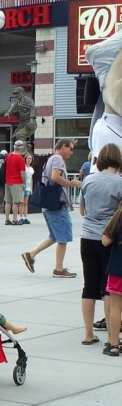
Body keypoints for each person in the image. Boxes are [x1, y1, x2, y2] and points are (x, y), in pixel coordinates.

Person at [79, 144, 122, 344]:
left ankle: (88, 334)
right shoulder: (119, 183)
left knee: (89, 286)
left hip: (87, 237)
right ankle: (111, 338)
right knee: (108, 289)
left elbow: (82, 210)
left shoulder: (88, 180)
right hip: (108, 239)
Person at [21, 138, 79, 278]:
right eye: (70, 149)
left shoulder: (51, 158)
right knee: (63, 238)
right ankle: (59, 269)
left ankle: (31, 255)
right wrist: (72, 183)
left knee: (54, 236)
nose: (72, 152)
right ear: (63, 146)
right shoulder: (58, 159)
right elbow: (55, 177)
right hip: (57, 205)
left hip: (49, 205)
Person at [101, 200, 122, 356]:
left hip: (118, 268)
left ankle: (114, 344)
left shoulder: (118, 216)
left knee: (115, 306)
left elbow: (105, 241)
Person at [3, 139, 27, 225]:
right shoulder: (20, 158)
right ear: (21, 148)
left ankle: (7, 219)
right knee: (16, 202)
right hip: (16, 182)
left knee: (8, 201)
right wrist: (24, 182)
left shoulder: (8, 156)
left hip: (7, 181)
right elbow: (22, 172)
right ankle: (15, 220)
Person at [21, 152, 34, 223]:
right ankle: (21, 217)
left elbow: (31, 179)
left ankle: (25, 217)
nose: (29, 160)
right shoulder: (23, 167)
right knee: (22, 202)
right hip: (23, 186)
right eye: (28, 158)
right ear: (25, 159)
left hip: (28, 187)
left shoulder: (31, 169)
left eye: (30, 159)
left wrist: (31, 188)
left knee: (26, 203)